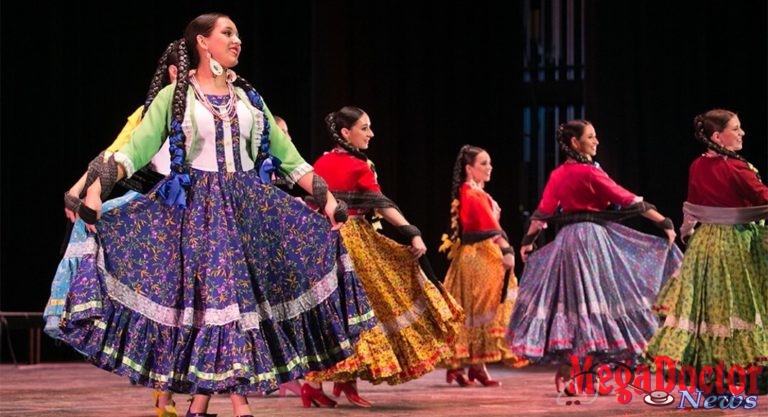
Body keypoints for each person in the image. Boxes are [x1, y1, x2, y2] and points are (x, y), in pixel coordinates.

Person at [53, 13, 376, 417]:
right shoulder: (176, 98)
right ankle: (233, 408)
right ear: (203, 43)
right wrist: (96, 190)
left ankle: (203, 407)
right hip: (197, 215)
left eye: (238, 33)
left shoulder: (249, 99)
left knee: (237, 305)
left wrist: (327, 199)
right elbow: (131, 151)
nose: (237, 39)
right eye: (227, 33)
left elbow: (289, 158)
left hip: (247, 211)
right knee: (223, 302)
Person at [48, 39, 182, 417]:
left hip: (210, 211)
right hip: (162, 215)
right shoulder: (151, 113)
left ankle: (190, 390)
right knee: (166, 305)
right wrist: (76, 190)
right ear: (174, 73)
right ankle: (166, 393)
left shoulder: (218, 109)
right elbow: (113, 154)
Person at [302, 106, 464, 407]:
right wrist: (411, 231)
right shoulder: (358, 165)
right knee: (370, 304)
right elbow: (382, 204)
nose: (371, 134)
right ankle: (334, 382)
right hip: (352, 241)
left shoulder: (321, 162)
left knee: (337, 311)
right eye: (365, 128)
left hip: (322, 241)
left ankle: (324, 382)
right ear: (346, 133)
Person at [506, 119, 683, 395]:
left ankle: (587, 376)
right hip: (590, 241)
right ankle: (583, 376)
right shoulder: (589, 173)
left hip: (567, 242)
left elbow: (542, 212)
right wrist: (663, 221)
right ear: (575, 143)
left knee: (579, 307)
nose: (596, 141)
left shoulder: (558, 175)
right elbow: (626, 198)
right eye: (591, 137)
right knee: (593, 306)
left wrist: (527, 241)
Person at [646, 109, 768, 395]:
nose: (742, 133)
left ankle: (713, 379)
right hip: (733, 244)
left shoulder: (697, 166)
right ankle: (738, 373)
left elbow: (691, 207)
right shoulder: (736, 168)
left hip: (704, 244)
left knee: (708, 313)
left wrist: (688, 234)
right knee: (738, 308)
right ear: (717, 136)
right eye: (736, 129)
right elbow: (763, 197)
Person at [437, 145, 527, 388]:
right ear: (469, 168)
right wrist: (507, 250)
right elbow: (490, 227)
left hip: (478, 255)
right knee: (482, 308)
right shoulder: (471, 194)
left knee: (476, 310)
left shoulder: (474, 192)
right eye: (483, 164)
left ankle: (476, 367)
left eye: (489, 163)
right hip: (478, 257)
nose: (489, 168)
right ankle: (461, 366)